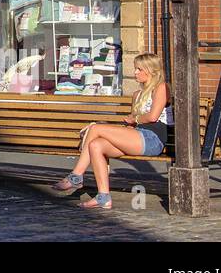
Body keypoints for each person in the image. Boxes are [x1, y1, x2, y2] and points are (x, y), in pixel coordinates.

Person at [52, 53, 172, 210]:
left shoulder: (161, 88)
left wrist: (133, 120)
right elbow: (132, 125)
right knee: (96, 145)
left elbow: (153, 116)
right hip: (137, 136)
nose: (135, 72)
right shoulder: (137, 95)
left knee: (95, 128)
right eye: (135, 69)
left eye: (139, 69)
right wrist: (124, 124)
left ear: (150, 71)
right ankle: (103, 197)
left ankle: (76, 176)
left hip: (152, 139)